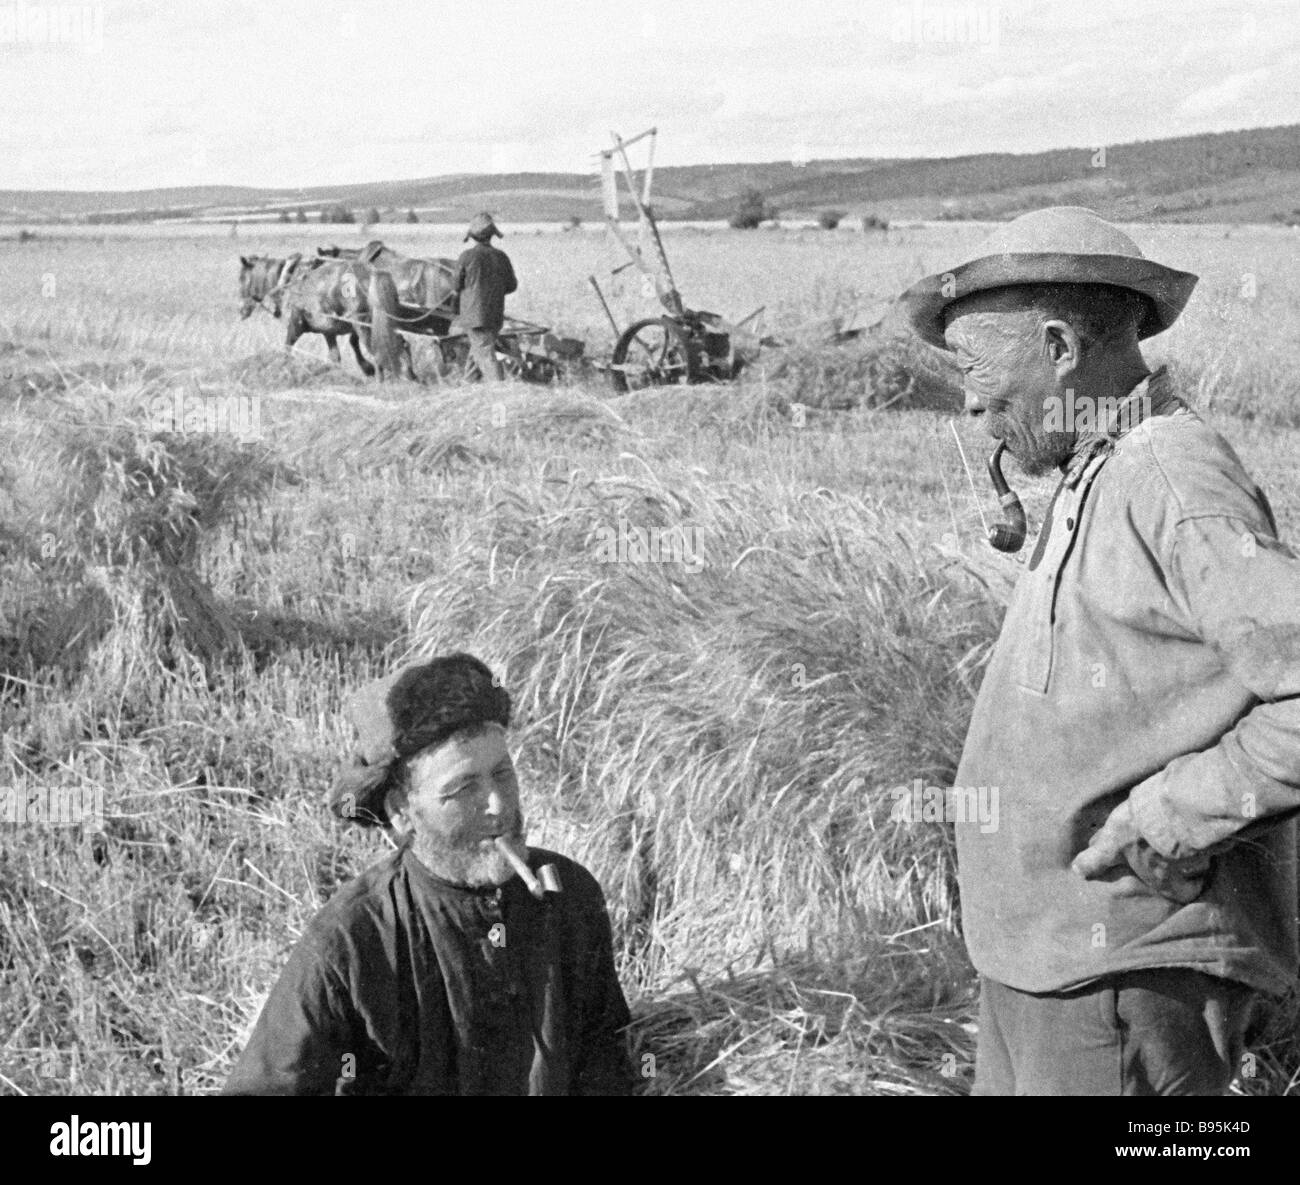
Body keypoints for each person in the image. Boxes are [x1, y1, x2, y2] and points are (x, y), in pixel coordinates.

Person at [900, 206, 1300, 1096]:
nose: (970, 399)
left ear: (1057, 348)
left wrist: (1170, 815)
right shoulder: (1096, 470)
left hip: (1119, 974)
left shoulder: (1169, 474)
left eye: (976, 367)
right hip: (1043, 966)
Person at [224, 653, 633, 1095]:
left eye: (502, 774)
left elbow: (606, 1051)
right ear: (402, 813)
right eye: (463, 789)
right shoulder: (349, 943)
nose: (497, 805)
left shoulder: (568, 895)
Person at [454, 212, 517, 381]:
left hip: (474, 318)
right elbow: (512, 286)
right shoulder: (502, 257)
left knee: (486, 356)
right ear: (492, 234)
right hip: (495, 317)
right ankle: (467, 387)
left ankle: (500, 392)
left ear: (473, 236)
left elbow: (455, 286)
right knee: (478, 353)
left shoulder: (466, 257)